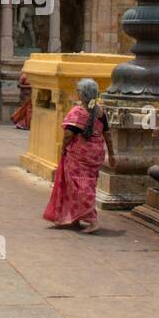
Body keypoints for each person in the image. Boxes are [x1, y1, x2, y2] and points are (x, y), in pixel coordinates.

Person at [43, 78, 116, 233]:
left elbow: (68, 135)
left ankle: (91, 219)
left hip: (79, 154)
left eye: (78, 92)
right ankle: (75, 217)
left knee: (79, 187)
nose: (77, 94)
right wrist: (112, 154)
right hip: (96, 154)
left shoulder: (78, 112)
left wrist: (63, 149)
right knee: (87, 184)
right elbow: (107, 134)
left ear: (82, 95)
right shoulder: (100, 111)